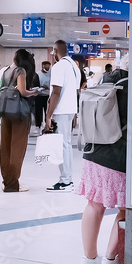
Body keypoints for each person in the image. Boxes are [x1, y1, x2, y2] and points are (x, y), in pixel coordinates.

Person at [76, 56, 129, 264]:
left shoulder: (104, 80)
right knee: (127, 210)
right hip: (119, 154)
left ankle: (89, 258)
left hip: (94, 151)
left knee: (93, 204)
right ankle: (109, 259)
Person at [0, 49, 40, 192]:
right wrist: (35, 91)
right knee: (18, 148)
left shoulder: (6, 70)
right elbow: (22, 91)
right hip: (19, 113)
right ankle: (13, 184)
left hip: (5, 111)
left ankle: (7, 181)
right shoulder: (20, 71)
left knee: (5, 147)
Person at [44, 40, 81, 191]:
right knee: (66, 145)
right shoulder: (74, 67)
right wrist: (75, 114)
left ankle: (65, 181)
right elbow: (76, 92)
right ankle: (67, 179)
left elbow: (56, 92)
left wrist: (48, 115)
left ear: (55, 51)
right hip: (70, 110)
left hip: (60, 111)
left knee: (62, 146)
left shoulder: (59, 66)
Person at [32, 60, 51, 129]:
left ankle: (47, 125)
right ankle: (38, 125)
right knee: (38, 111)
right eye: (46, 66)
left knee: (47, 111)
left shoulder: (51, 74)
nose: (47, 68)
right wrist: (41, 87)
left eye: (48, 66)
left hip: (47, 96)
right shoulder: (38, 74)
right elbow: (35, 85)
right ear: (42, 66)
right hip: (39, 95)